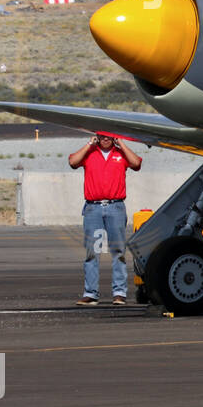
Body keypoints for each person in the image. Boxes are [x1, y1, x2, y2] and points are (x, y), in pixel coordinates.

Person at [67, 131, 142, 306]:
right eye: (101, 136)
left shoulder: (119, 154)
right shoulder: (90, 153)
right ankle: (91, 293)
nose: (105, 139)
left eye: (108, 136)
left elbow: (136, 163)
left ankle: (119, 293)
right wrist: (89, 144)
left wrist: (121, 144)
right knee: (93, 251)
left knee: (118, 251)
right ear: (97, 137)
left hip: (115, 206)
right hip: (93, 207)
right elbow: (73, 161)